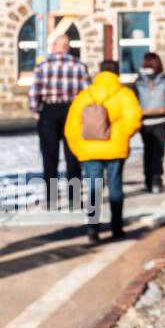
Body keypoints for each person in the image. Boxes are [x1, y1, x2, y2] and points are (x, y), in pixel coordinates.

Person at [65, 60, 142, 245]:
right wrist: (119, 134)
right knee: (115, 187)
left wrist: (79, 147)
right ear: (117, 73)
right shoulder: (124, 94)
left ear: (99, 72)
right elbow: (134, 118)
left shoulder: (85, 95)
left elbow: (72, 125)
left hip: (89, 148)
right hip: (115, 148)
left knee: (94, 189)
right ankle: (117, 228)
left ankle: (93, 230)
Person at [27, 33, 90, 205]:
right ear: (68, 47)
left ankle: (51, 197)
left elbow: (34, 91)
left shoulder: (43, 65)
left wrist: (36, 109)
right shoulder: (78, 65)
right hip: (72, 110)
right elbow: (87, 92)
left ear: (54, 47)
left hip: (49, 110)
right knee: (73, 155)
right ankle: (74, 197)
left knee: (49, 156)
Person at [130, 52, 165, 193]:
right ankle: (156, 180)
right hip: (161, 120)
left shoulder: (138, 80)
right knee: (158, 151)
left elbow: (134, 101)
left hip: (144, 122)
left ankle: (148, 180)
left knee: (147, 150)